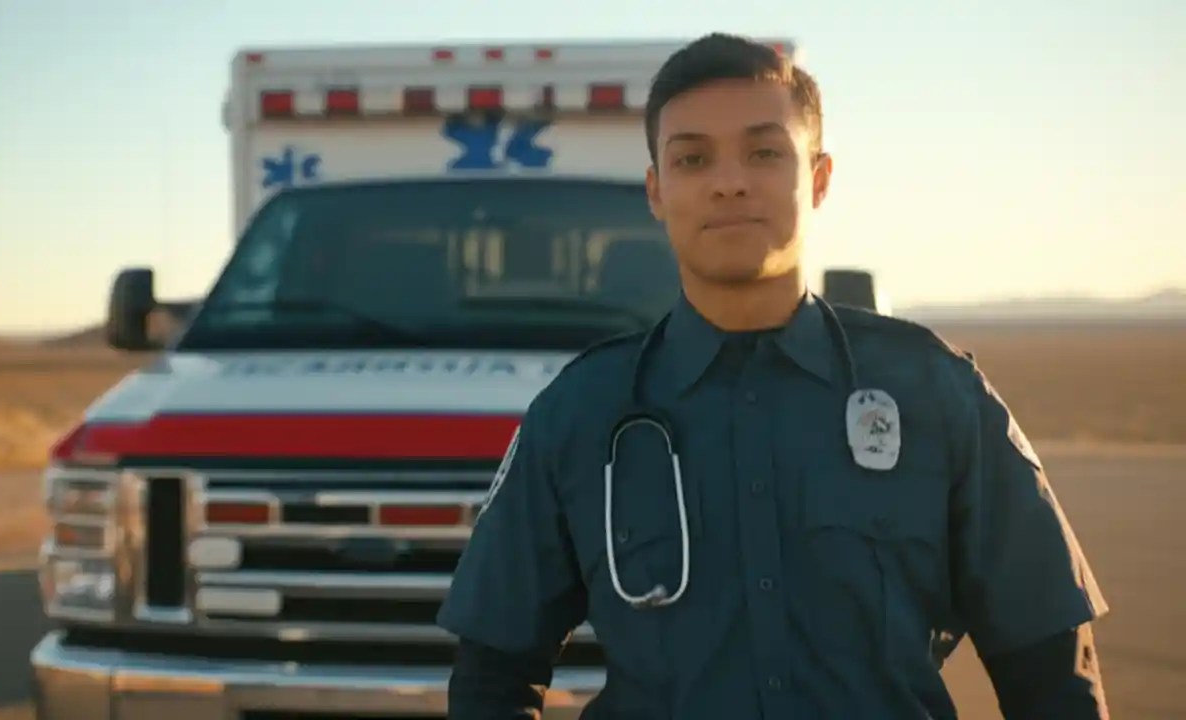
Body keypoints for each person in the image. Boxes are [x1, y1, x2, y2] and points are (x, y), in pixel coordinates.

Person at [436, 32, 1111, 719]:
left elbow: (1052, 673)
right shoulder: (578, 415)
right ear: (657, 191)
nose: (729, 180)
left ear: (818, 178)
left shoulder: (938, 396)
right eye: (692, 158)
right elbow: (494, 674)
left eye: (764, 151)